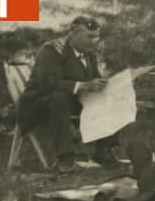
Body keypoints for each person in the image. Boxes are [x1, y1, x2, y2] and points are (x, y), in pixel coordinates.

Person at [16, 16, 119, 173]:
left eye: (97, 36)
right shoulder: (51, 50)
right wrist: (84, 85)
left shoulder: (89, 54)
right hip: (36, 105)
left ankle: (104, 151)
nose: (94, 41)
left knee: (107, 96)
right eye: (90, 36)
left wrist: (106, 85)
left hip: (66, 103)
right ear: (74, 33)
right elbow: (48, 84)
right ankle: (65, 159)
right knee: (60, 98)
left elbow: (94, 80)